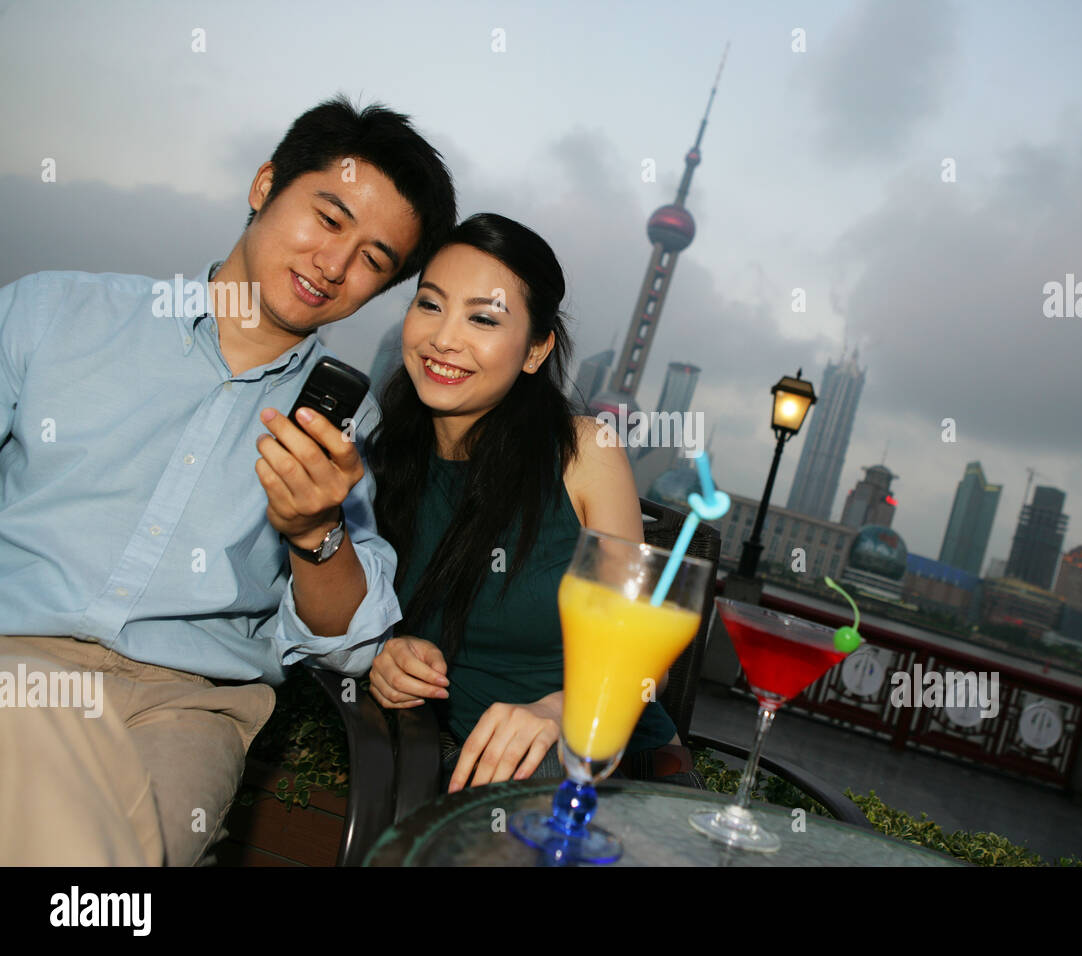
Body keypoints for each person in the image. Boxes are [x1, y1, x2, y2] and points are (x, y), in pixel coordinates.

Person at [0, 96, 457, 865]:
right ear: (264, 185)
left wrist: (317, 532)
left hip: (187, 708)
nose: (335, 265)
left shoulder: (350, 429)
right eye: (329, 217)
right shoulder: (53, 312)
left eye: (375, 260)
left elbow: (349, 642)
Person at [366, 213, 693, 793]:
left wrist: (555, 711)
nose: (444, 338)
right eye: (431, 304)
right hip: (461, 765)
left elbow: (647, 663)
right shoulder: (383, 454)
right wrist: (383, 652)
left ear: (535, 351)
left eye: (484, 318)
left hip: (604, 765)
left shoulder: (585, 452)